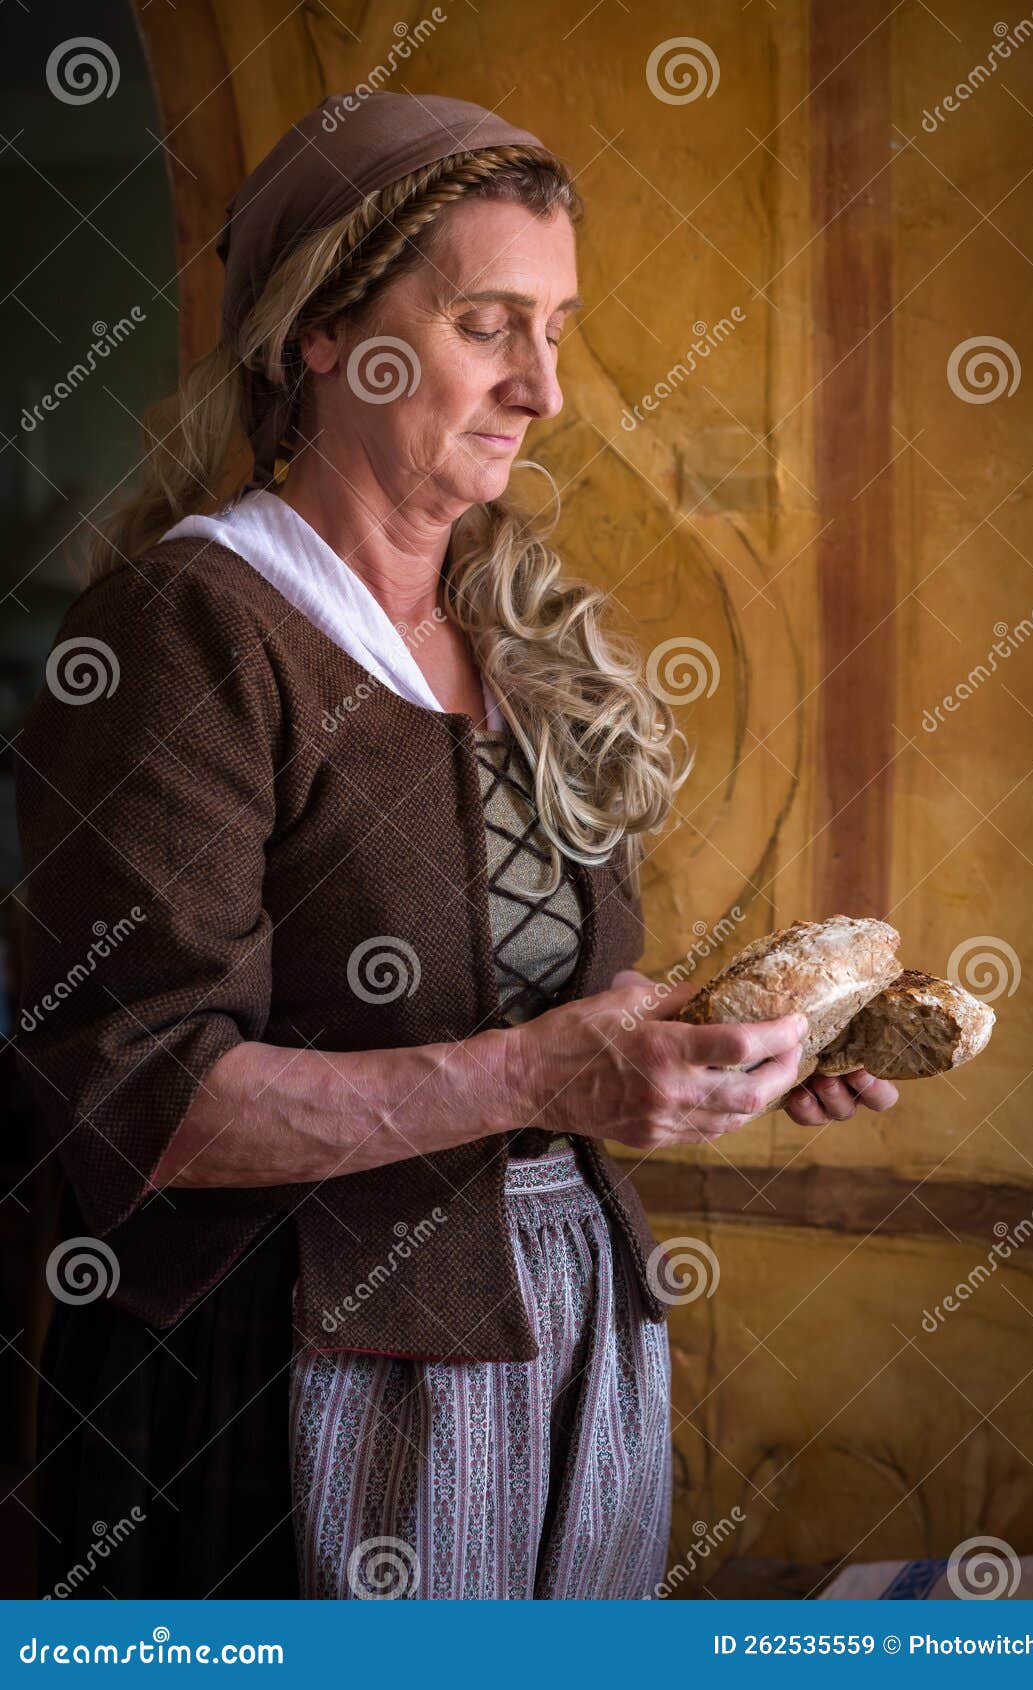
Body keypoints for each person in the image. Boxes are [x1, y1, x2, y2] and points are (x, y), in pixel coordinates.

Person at [13, 91, 899, 1601]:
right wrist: (544, 1074)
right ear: (320, 334)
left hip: (566, 1343)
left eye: (556, 326)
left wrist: (727, 1050)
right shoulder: (195, 629)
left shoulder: (512, 631)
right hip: (301, 1373)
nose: (543, 387)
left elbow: (537, 1012)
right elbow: (132, 1096)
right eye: (492, 323)